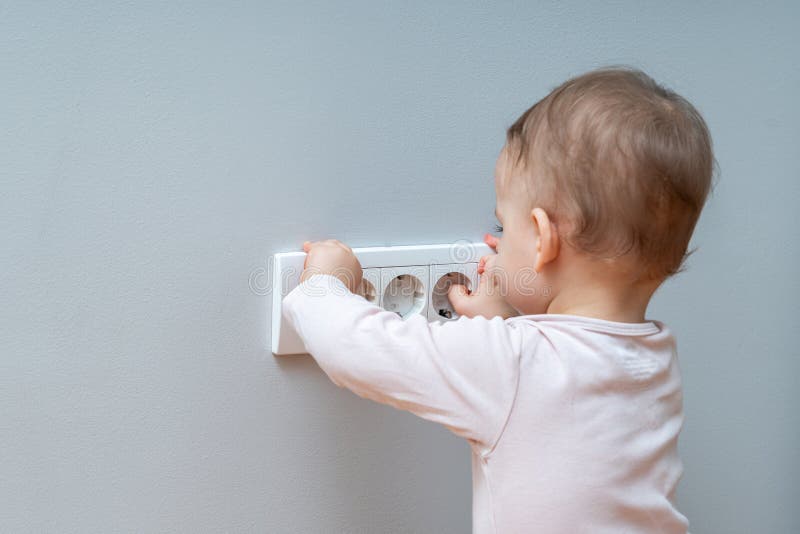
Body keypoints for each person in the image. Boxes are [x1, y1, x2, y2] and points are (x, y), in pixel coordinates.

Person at [282, 65, 715, 533]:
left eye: (503, 228)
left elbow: (359, 351)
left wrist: (323, 283)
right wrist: (502, 320)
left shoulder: (513, 365)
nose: (497, 240)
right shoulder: (652, 360)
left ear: (544, 241)